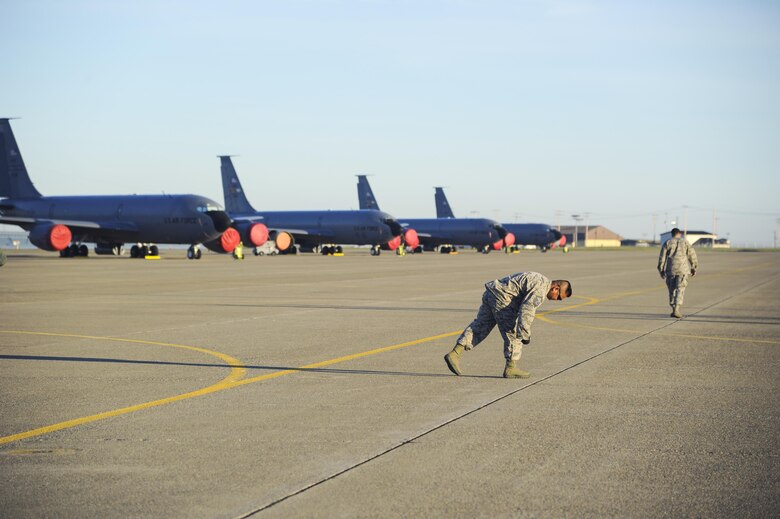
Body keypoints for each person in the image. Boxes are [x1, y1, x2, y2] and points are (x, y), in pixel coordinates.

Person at [444, 272, 572, 379]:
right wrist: (525, 333)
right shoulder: (541, 288)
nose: (557, 300)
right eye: (559, 297)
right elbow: (527, 309)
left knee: (480, 325)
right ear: (555, 288)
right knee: (514, 333)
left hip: (492, 292)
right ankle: (511, 368)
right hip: (503, 299)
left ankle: (455, 353)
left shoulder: (539, 278)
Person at [658, 228, 698, 318]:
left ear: (672, 234)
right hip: (683, 270)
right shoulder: (685, 242)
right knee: (680, 289)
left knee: (672, 290)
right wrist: (694, 267)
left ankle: (673, 309)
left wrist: (661, 270)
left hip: (670, 270)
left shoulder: (668, 242)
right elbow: (692, 255)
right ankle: (676, 309)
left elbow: (662, 258)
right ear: (679, 234)